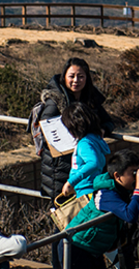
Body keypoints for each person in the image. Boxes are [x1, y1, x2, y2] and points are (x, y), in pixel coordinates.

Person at [32, 57, 116, 199]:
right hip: (60, 166)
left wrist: (102, 130)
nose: (76, 80)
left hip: (80, 163)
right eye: (71, 76)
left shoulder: (91, 99)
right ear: (64, 77)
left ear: (87, 78)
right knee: (65, 208)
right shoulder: (55, 101)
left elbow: (108, 122)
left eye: (81, 76)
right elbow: (48, 131)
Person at [59, 101, 111, 198]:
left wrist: (71, 182)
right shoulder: (94, 139)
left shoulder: (84, 143)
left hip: (86, 190)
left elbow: (93, 163)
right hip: (87, 188)